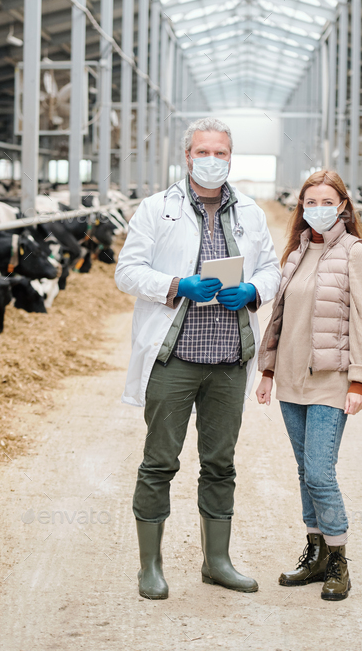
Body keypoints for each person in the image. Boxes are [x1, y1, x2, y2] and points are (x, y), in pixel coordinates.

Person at [115, 117, 281, 600]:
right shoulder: (156, 209)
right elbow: (128, 271)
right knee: (159, 462)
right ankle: (151, 567)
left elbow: (271, 269)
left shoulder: (249, 211)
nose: (213, 160)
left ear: (231, 158)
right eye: (204, 152)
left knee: (220, 464)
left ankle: (217, 561)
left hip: (229, 359)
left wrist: (252, 290)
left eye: (222, 153)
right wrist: (174, 286)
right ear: (188, 156)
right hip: (175, 359)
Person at [256, 170, 362, 602]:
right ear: (302, 207)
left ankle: (340, 559)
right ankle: (315, 553)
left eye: (327, 201)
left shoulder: (355, 253)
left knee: (321, 472)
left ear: (343, 205)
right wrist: (268, 371)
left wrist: (359, 380)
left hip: (330, 380)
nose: (318, 209)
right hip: (290, 379)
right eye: (311, 202)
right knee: (304, 471)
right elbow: (279, 318)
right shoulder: (296, 252)